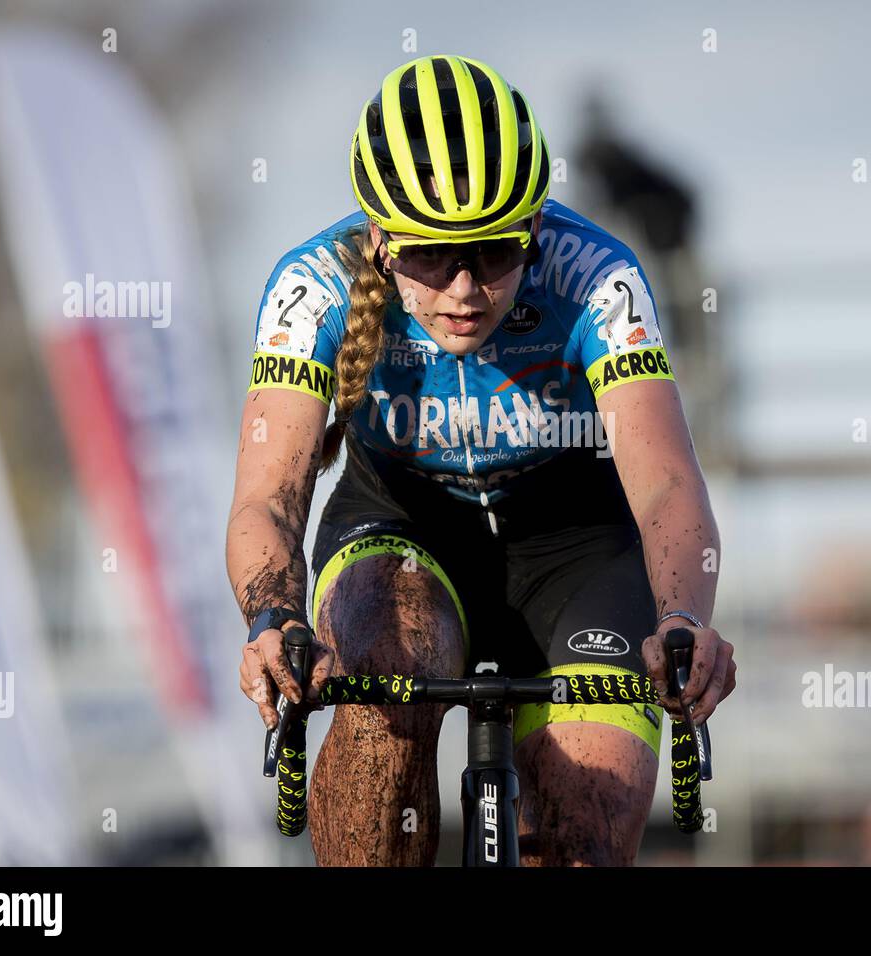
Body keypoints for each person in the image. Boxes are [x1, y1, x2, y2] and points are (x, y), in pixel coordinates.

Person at [226, 54, 735, 866]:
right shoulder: (312, 286)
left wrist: (681, 619)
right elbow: (269, 498)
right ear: (382, 242)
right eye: (431, 256)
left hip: (573, 543)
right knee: (379, 706)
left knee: (583, 831)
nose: (465, 288)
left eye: (496, 252)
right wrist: (272, 620)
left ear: (534, 229)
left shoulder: (599, 275)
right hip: (400, 529)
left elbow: (668, 480)